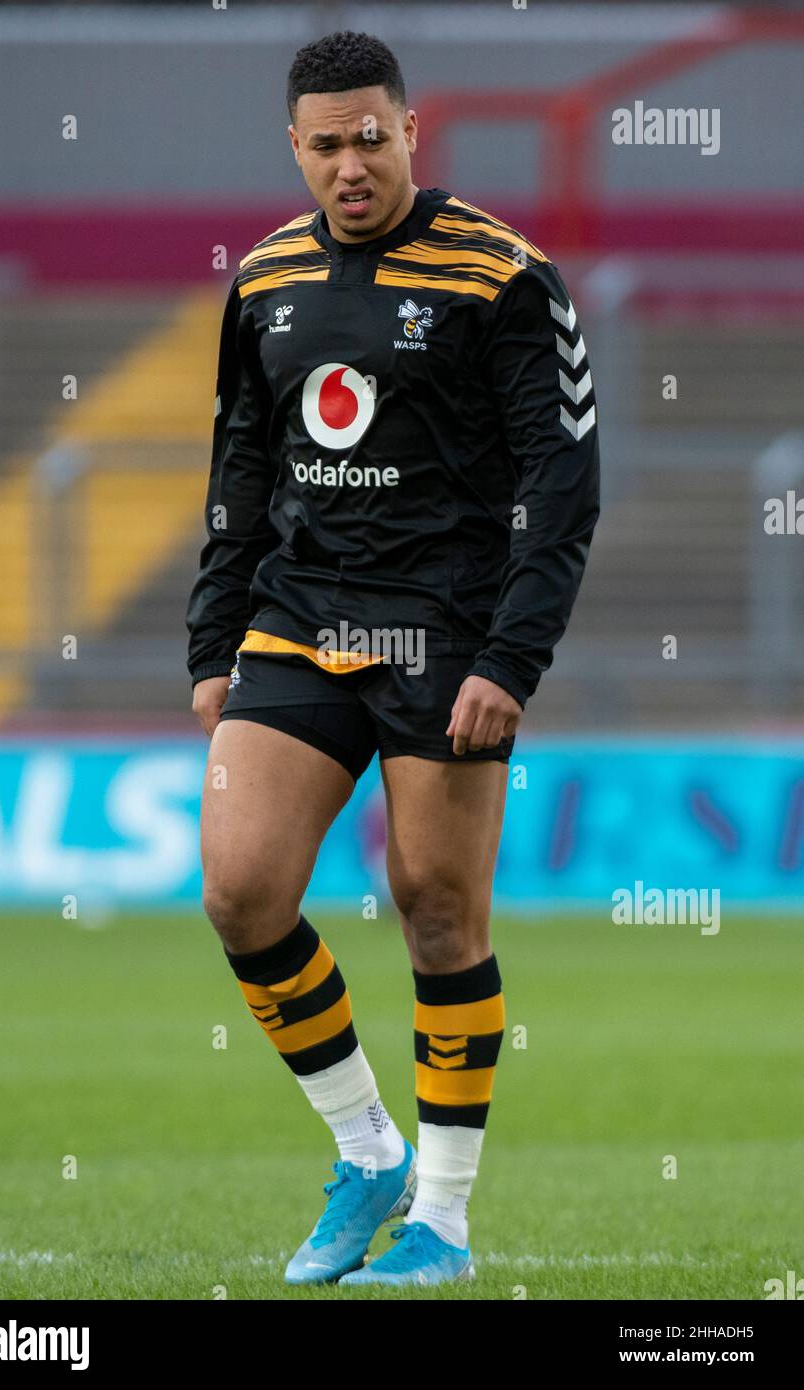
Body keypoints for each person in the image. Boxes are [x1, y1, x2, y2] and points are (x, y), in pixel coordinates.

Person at [186, 29, 600, 1288]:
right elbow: (241, 467)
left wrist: (510, 660)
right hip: (302, 619)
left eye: (373, 135)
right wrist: (214, 642)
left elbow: (561, 483)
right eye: (326, 144)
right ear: (295, 150)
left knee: (433, 906)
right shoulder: (262, 279)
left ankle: (445, 1221)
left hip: (450, 629)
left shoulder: (503, 277)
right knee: (240, 889)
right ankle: (365, 1150)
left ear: (411, 130)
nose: (351, 163)